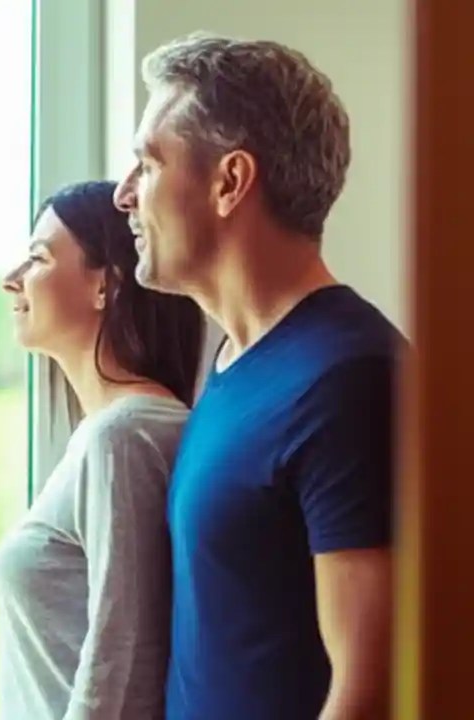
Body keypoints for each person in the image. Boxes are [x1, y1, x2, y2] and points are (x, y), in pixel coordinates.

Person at [113, 33, 403, 720]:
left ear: (230, 182)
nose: (124, 195)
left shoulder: (351, 379)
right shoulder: (235, 364)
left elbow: (373, 689)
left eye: (148, 165)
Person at [0, 180, 204, 719]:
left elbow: (121, 657)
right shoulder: (120, 432)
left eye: (38, 258)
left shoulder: (123, 437)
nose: (11, 279)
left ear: (105, 285)